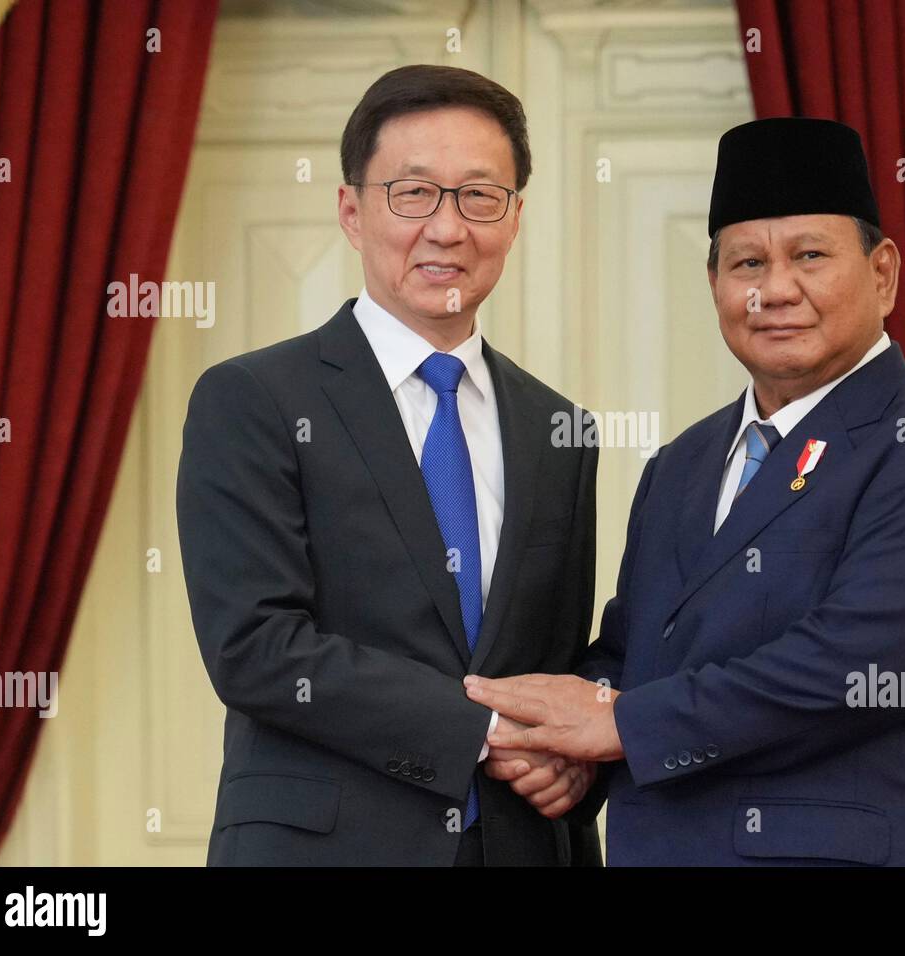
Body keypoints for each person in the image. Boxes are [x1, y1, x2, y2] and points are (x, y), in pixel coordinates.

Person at [467, 117, 905, 866]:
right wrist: (561, 747)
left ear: (884, 274)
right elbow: (638, 654)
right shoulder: (682, 463)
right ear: (714, 285)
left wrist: (620, 724)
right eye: (746, 264)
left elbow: (855, 669)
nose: (776, 290)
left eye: (810, 256)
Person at [177, 65, 600, 866]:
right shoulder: (253, 400)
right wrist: (483, 729)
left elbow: (556, 662)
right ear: (352, 211)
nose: (447, 228)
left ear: (514, 219)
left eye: (481, 196)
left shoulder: (559, 428)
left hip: (523, 845)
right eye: (413, 193)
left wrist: (574, 760)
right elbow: (255, 647)